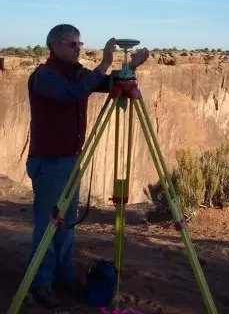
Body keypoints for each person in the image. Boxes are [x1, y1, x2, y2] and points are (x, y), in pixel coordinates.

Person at [26, 24, 149, 308]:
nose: (78, 49)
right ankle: (41, 284)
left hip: (70, 159)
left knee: (66, 225)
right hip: (49, 161)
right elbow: (72, 93)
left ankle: (64, 277)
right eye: (73, 44)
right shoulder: (44, 76)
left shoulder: (77, 72)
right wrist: (105, 62)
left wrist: (129, 67)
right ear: (55, 45)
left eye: (80, 44)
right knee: (47, 226)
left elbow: (105, 84)